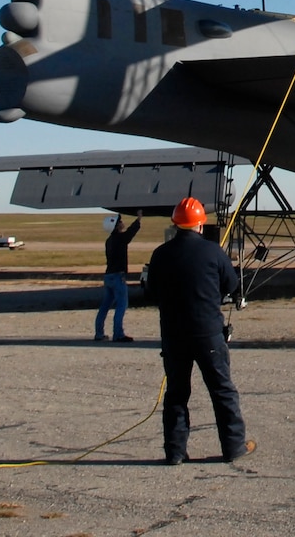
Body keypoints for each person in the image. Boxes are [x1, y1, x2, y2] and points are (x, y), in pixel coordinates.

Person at [146, 197, 256, 466]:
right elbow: (231, 285)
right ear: (200, 224)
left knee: (176, 393)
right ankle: (233, 446)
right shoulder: (213, 252)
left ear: (175, 224)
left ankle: (175, 452)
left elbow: (151, 291)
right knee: (222, 391)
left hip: (174, 335)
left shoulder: (161, 254)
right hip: (208, 334)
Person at [94, 209, 143, 343]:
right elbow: (131, 232)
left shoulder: (109, 241)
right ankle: (118, 334)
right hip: (117, 277)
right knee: (121, 305)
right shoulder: (120, 239)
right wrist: (138, 219)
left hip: (108, 276)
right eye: (119, 222)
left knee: (105, 305)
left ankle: (99, 333)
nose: (122, 223)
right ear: (116, 226)